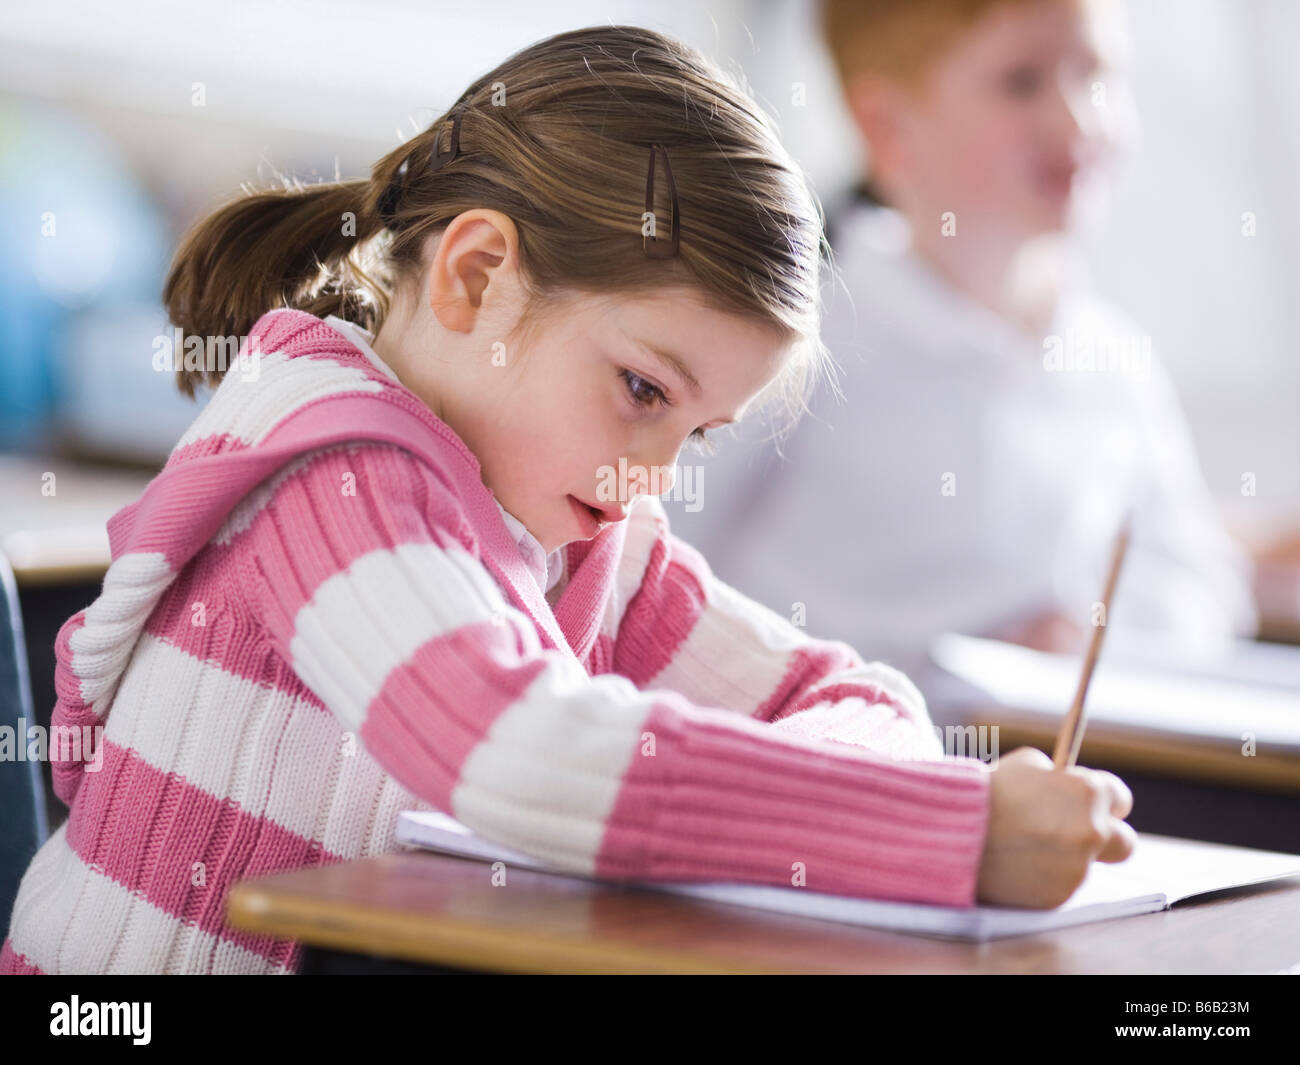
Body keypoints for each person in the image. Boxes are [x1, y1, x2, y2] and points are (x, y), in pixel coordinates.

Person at [1, 25, 1133, 975]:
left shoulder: (576, 525)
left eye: (697, 432)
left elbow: (842, 695)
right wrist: (951, 831)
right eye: (642, 389)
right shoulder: (329, 471)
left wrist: (909, 793)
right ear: (476, 277)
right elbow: (517, 752)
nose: (655, 478)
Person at [671, 0, 1257, 685]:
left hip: (1044, 766)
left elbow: (1204, 591)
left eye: (1097, 73)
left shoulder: (1113, 358)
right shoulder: (793, 338)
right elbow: (646, 560)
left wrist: (1093, 630)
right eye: (1021, 82)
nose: (1078, 119)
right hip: (822, 759)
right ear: (887, 128)